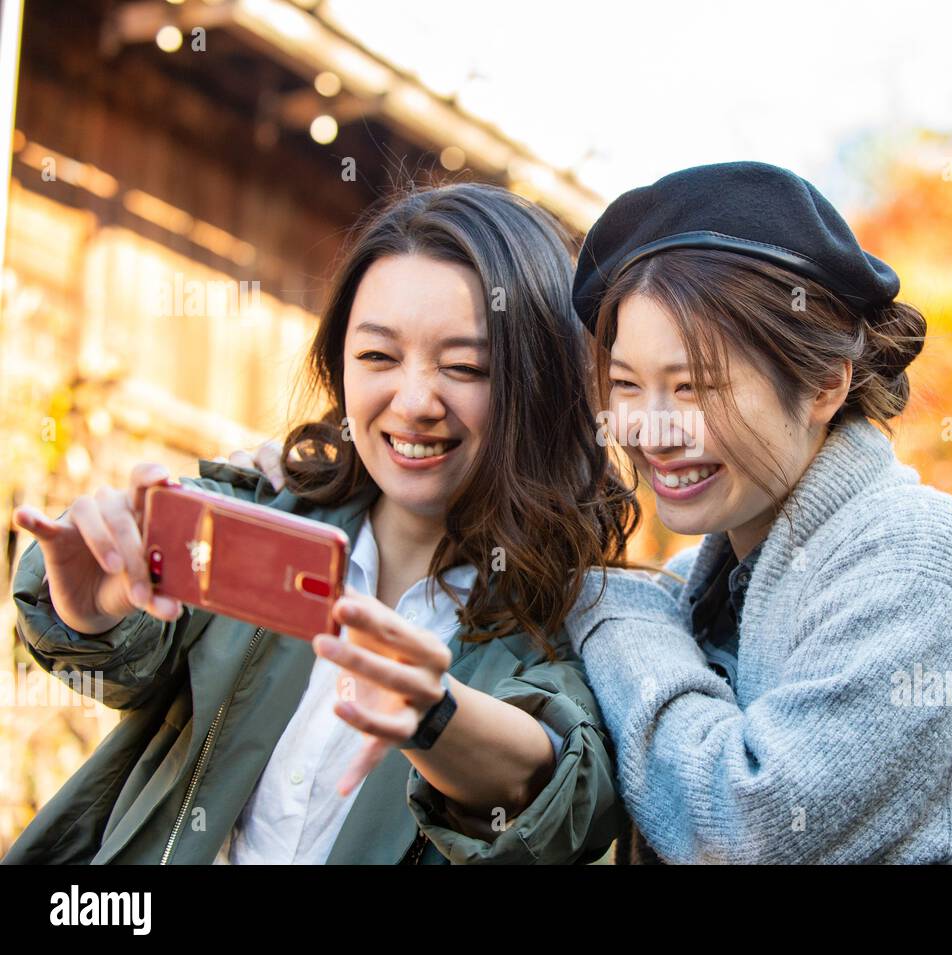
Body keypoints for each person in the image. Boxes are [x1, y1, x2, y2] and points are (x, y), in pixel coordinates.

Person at [5, 183, 631, 864]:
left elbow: (564, 786)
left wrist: (434, 714)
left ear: (536, 383)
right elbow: (122, 657)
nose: (415, 400)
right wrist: (95, 606)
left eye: (464, 367)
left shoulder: (579, 623)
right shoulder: (247, 519)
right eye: (377, 357)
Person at [559, 161, 952, 864]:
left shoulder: (914, 550)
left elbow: (752, 826)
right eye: (627, 383)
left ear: (823, 384)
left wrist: (613, 612)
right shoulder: (697, 582)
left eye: (695, 387)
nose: (651, 430)